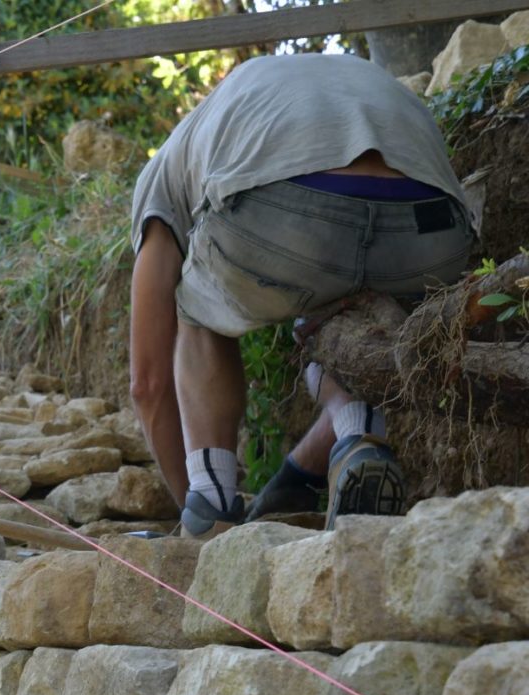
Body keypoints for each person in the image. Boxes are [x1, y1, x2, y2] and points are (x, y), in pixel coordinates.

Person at [128, 53, 475, 537]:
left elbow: (148, 382)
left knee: (195, 307)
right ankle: (358, 436)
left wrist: (186, 501)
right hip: (433, 229)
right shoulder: (298, 88)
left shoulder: (161, 176)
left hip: (288, 210)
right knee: (341, 311)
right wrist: (294, 476)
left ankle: (212, 498)